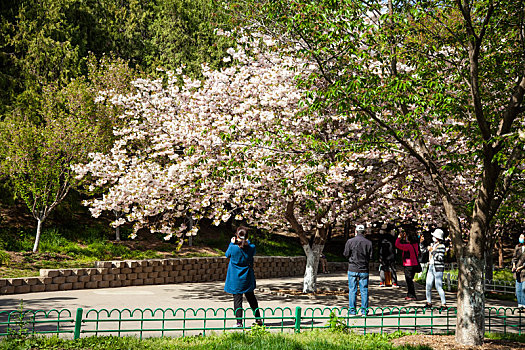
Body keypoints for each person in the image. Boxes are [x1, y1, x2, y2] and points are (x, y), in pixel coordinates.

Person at [224, 226, 262, 327]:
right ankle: (258, 319)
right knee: (251, 299)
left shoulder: (233, 248)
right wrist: (246, 241)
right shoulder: (251, 248)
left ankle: (239, 322)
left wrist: (232, 242)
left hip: (235, 279)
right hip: (247, 277)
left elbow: (227, 254)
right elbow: (251, 248)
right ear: (247, 237)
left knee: (237, 300)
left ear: (236, 236)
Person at [343, 224, 373, 316]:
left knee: (352, 290)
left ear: (355, 231)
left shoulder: (350, 241)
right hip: (364, 269)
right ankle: (364, 311)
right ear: (364, 232)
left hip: (352, 268)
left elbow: (345, 254)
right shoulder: (369, 243)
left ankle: (352, 311)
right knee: (364, 290)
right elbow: (371, 257)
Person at [421, 228, 447, 309]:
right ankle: (428, 302)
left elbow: (440, 258)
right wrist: (421, 243)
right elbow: (423, 251)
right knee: (428, 285)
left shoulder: (442, 246)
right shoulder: (432, 245)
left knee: (438, 286)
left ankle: (444, 303)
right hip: (431, 266)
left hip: (438, 267)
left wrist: (432, 251)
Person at [395, 230, 420, 300]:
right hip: (414, 264)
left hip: (408, 265)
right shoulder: (415, 245)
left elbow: (397, 245)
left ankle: (412, 295)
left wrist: (399, 238)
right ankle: (410, 294)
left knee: (409, 281)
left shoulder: (408, 246)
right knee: (410, 280)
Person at [512, 234, 525, 310]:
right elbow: (514, 257)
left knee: (523, 289)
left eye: (522, 237)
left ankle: (524, 305)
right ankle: (520, 305)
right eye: (520, 237)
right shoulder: (517, 247)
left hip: (524, 272)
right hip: (517, 272)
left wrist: (521, 267)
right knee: (518, 290)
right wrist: (514, 265)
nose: (520, 238)